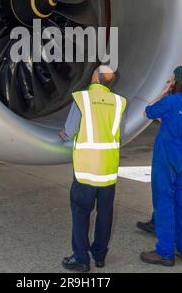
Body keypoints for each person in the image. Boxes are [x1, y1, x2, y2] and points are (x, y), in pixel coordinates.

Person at [59, 66, 127, 272]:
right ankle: (99, 256)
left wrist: (62, 136)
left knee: (80, 213)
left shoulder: (82, 99)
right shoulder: (119, 102)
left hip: (86, 170)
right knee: (105, 214)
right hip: (107, 170)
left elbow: (70, 131)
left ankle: (80, 258)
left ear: (95, 78)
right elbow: (120, 133)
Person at [137, 67, 182, 242]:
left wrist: (165, 91)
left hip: (180, 151)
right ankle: (179, 238)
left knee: (176, 193)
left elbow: (148, 112)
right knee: (177, 193)